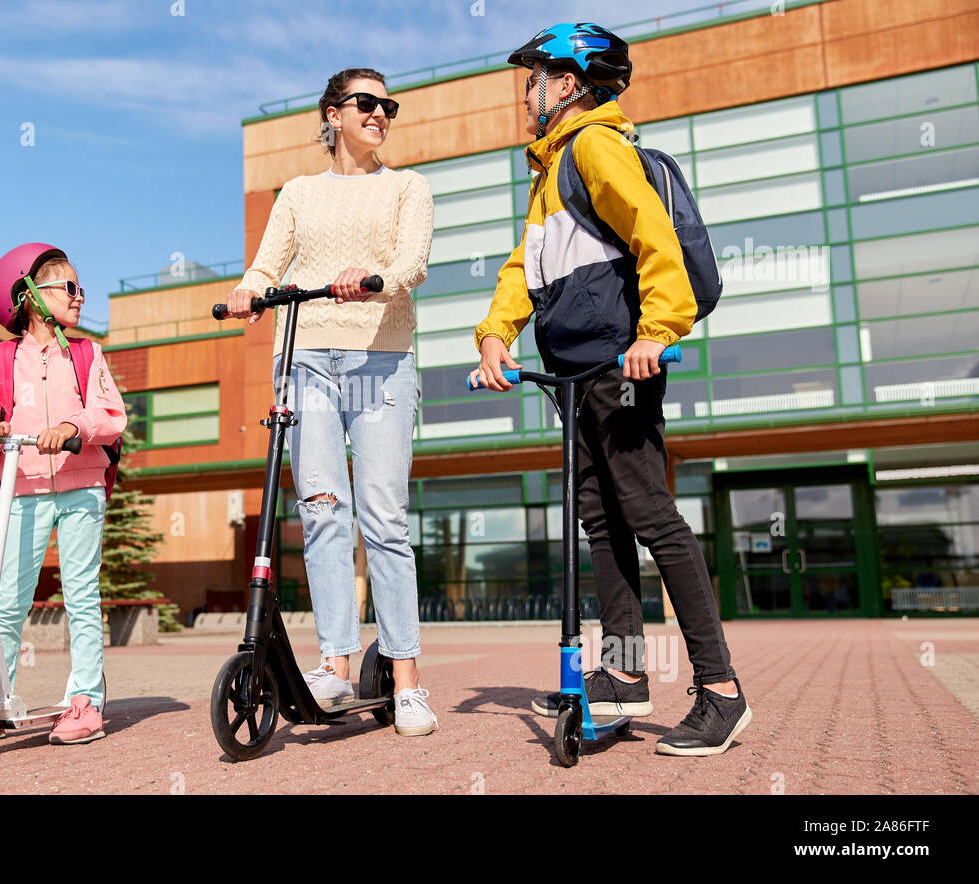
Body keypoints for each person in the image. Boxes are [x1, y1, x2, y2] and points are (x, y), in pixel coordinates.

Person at [470, 23, 752, 756]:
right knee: (603, 520)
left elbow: (653, 236)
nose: (525, 92)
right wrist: (495, 334)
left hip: (616, 369)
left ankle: (721, 690)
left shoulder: (595, 146)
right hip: (574, 374)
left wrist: (658, 330)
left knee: (651, 516)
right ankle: (625, 675)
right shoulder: (549, 171)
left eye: (534, 78)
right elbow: (519, 269)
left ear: (566, 83)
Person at [226, 68, 437, 736]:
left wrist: (371, 281)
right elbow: (266, 266)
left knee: (382, 517)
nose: (380, 114)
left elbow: (412, 263)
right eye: (367, 103)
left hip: (381, 357)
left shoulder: (407, 187)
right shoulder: (298, 192)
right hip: (306, 357)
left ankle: (405, 681)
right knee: (321, 510)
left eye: (388, 106)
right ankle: (338, 667)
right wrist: (247, 293)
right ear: (332, 114)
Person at [0, 243, 127, 745]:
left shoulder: (86, 354)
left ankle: (86, 702)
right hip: (24, 487)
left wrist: (74, 424)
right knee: (8, 600)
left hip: (81, 489)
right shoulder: (0, 361)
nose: (80, 297)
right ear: (31, 297)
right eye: (69, 288)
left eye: (81, 289)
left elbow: (111, 416)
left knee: (80, 595)